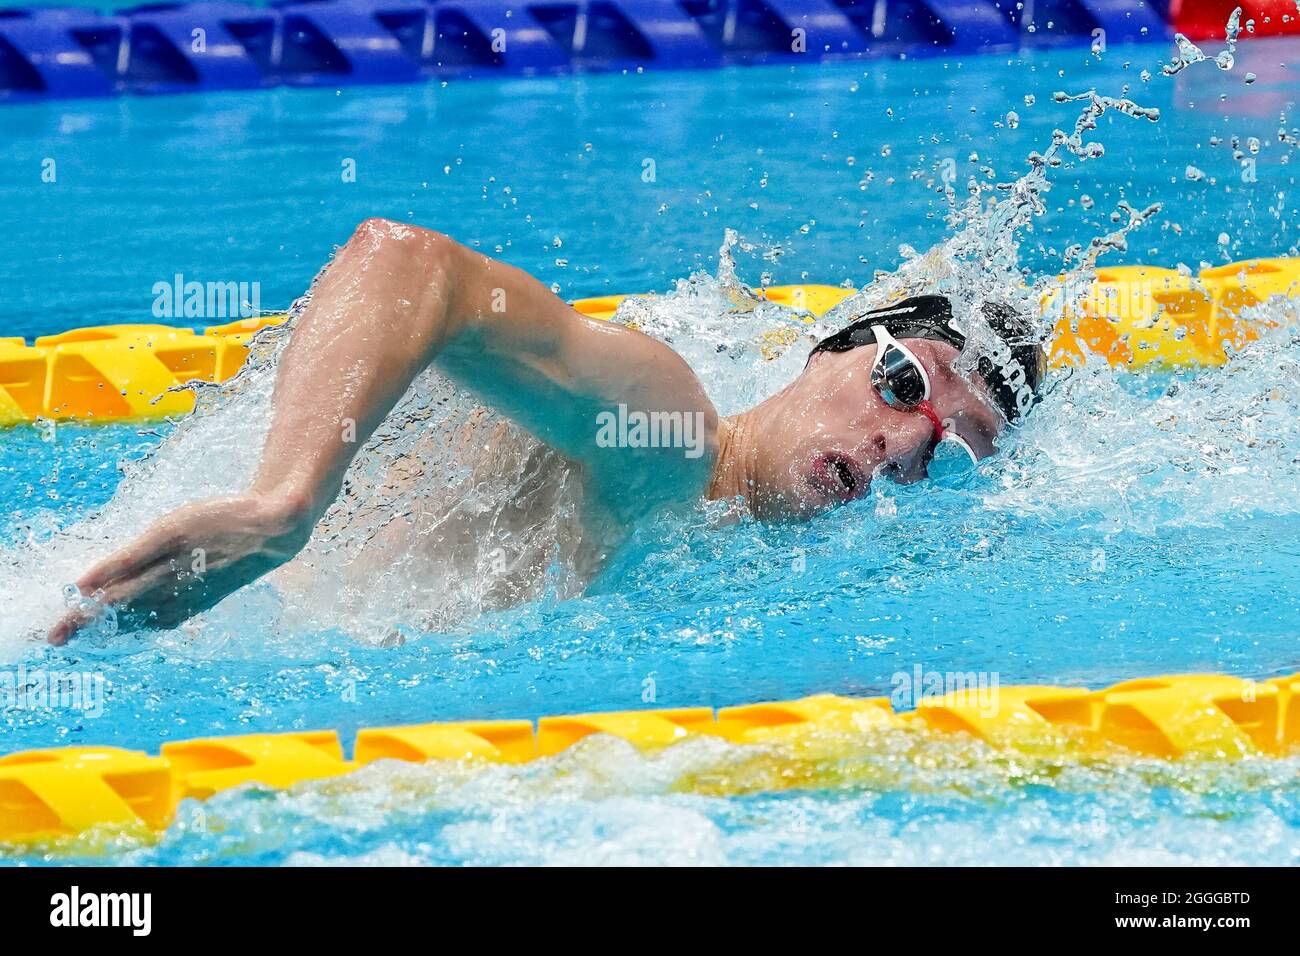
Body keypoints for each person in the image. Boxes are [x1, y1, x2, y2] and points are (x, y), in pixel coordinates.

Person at [48, 218, 1046, 644]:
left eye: (941, 457)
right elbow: (408, 262)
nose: (899, 444)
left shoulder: (718, 545)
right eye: (902, 382)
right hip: (139, 609)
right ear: (829, 351)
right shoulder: (669, 437)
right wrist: (284, 502)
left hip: (126, 612)